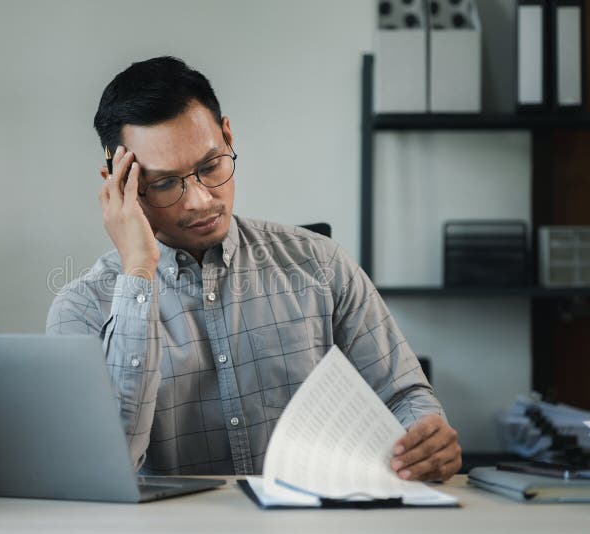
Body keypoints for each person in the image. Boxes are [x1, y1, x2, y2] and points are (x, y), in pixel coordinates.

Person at [47, 56, 462, 480]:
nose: (201, 201)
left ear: (227, 136)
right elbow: (105, 469)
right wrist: (138, 269)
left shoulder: (322, 264)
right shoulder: (82, 309)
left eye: (210, 166)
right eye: (165, 183)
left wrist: (425, 437)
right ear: (119, 183)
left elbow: (403, 396)